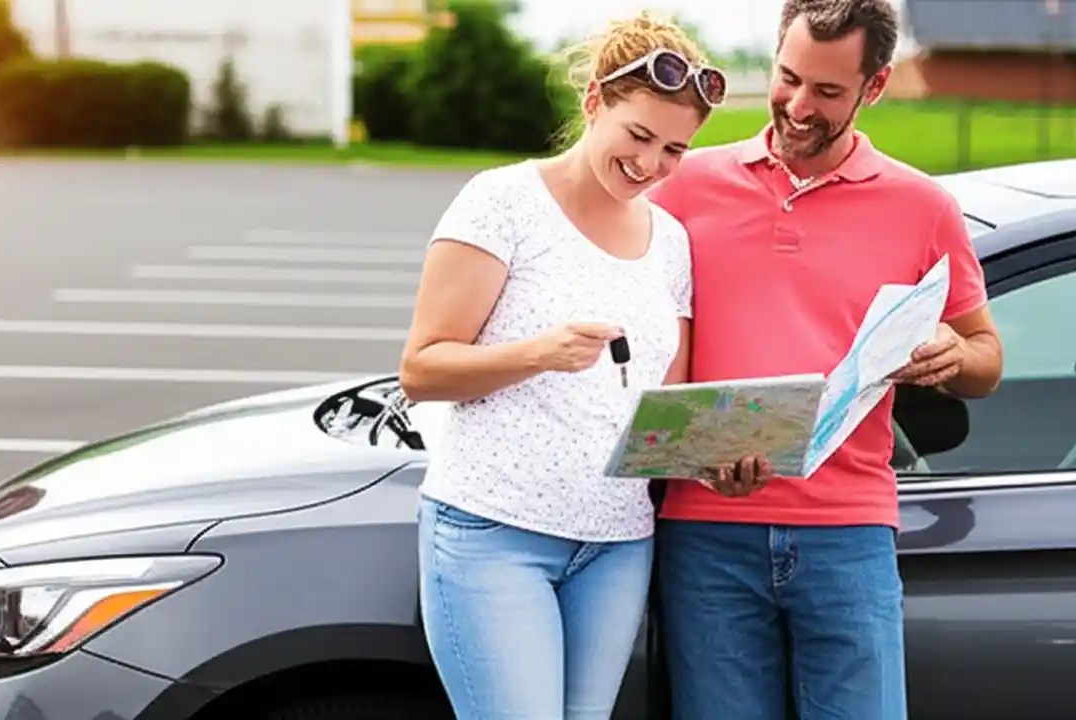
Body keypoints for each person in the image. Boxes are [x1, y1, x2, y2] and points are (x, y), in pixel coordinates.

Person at [643, 0, 1005, 718]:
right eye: (788, 78)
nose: (798, 106)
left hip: (848, 533)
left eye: (828, 92)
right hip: (707, 532)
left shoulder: (923, 207)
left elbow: (986, 358)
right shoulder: (684, 187)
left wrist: (950, 354)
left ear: (874, 88)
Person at [398, 12, 761, 719]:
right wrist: (539, 353)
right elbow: (423, 367)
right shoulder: (502, 202)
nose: (651, 165)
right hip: (493, 534)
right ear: (595, 101)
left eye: (674, 150)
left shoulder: (672, 243)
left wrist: (712, 458)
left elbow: (666, 405)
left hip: (616, 545)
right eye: (639, 136)